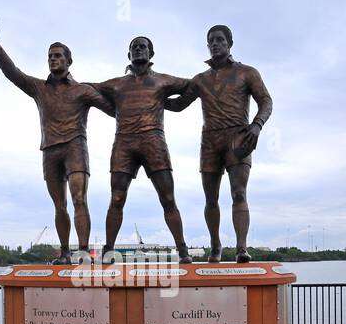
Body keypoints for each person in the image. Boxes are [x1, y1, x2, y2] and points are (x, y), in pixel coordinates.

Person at [0, 9, 113, 264]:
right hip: (50, 151)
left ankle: (83, 253)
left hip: (75, 148)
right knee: (60, 206)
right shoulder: (39, 88)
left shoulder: (83, 91)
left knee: (80, 198)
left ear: (69, 61)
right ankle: (66, 253)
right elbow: (12, 72)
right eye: (49, 56)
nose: (52, 59)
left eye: (58, 56)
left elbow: (114, 109)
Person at [165, 24, 272, 263]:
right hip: (210, 140)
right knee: (210, 198)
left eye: (220, 40)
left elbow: (265, 100)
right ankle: (215, 245)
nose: (215, 44)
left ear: (229, 43)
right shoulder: (201, 80)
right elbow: (179, 104)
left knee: (238, 193)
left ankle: (241, 248)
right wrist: (153, 96)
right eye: (211, 40)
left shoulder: (247, 72)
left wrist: (256, 125)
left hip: (238, 137)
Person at [90, 37, 193, 263]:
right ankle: (108, 249)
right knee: (116, 198)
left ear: (151, 53)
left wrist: (175, 105)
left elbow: (195, 86)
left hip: (153, 141)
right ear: (129, 55)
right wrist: (113, 110)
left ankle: (182, 249)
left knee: (167, 197)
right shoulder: (116, 84)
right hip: (124, 142)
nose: (138, 49)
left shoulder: (163, 81)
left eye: (142, 46)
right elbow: (87, 89)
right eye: (134, 47)